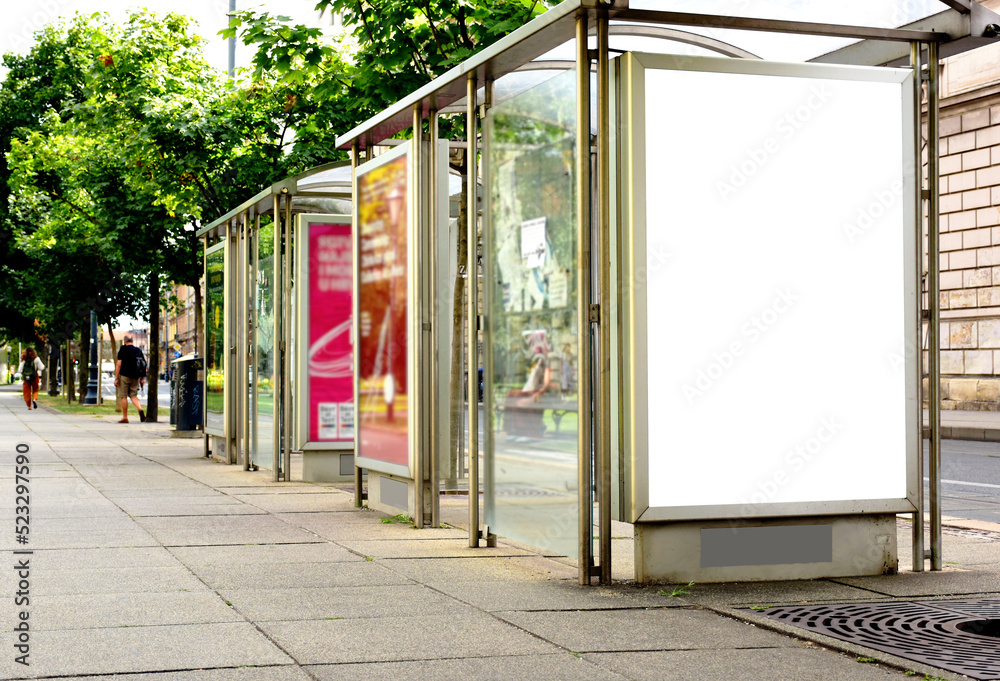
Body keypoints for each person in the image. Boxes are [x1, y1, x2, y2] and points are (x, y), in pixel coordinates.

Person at [114, 335, 146, 423]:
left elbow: (119, 364)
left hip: (124, 376)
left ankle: (125, 417)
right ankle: (140, 409)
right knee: (133, 395)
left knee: (123, 396)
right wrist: (142, 378)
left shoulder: (123, 350)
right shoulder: (138, 350)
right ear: (132, 341)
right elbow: (144, 364)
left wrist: (116, 378)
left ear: (124, 341)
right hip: (135, 377)